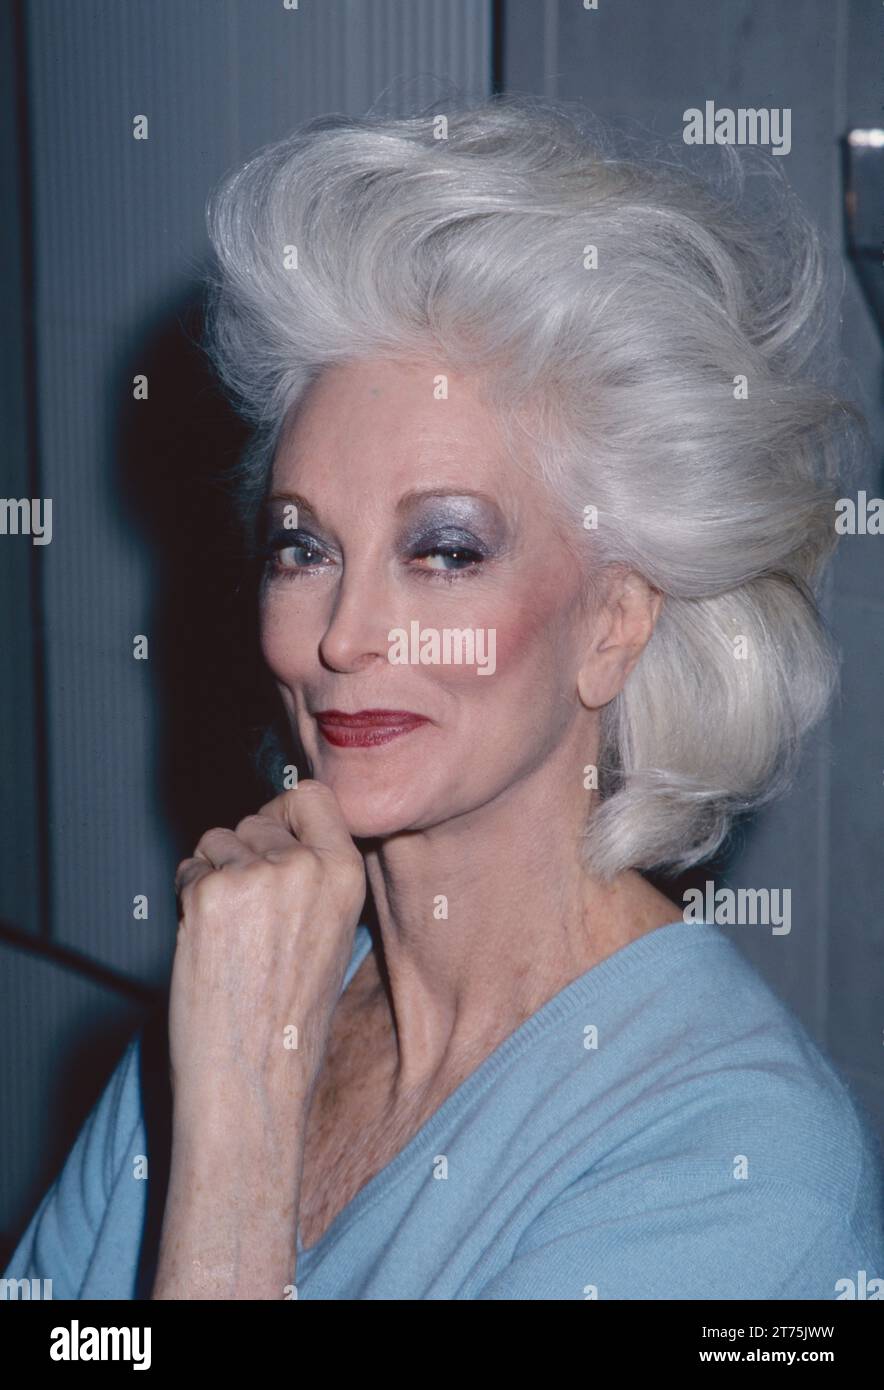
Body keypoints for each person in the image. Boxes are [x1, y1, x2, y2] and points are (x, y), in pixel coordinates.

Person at [6, 96, 883, 1300]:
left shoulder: (740, 1174)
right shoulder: (242, 991)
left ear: (613, 623)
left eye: (446, 550)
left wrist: (242, 1143)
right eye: (303, 548)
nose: (346, 635)